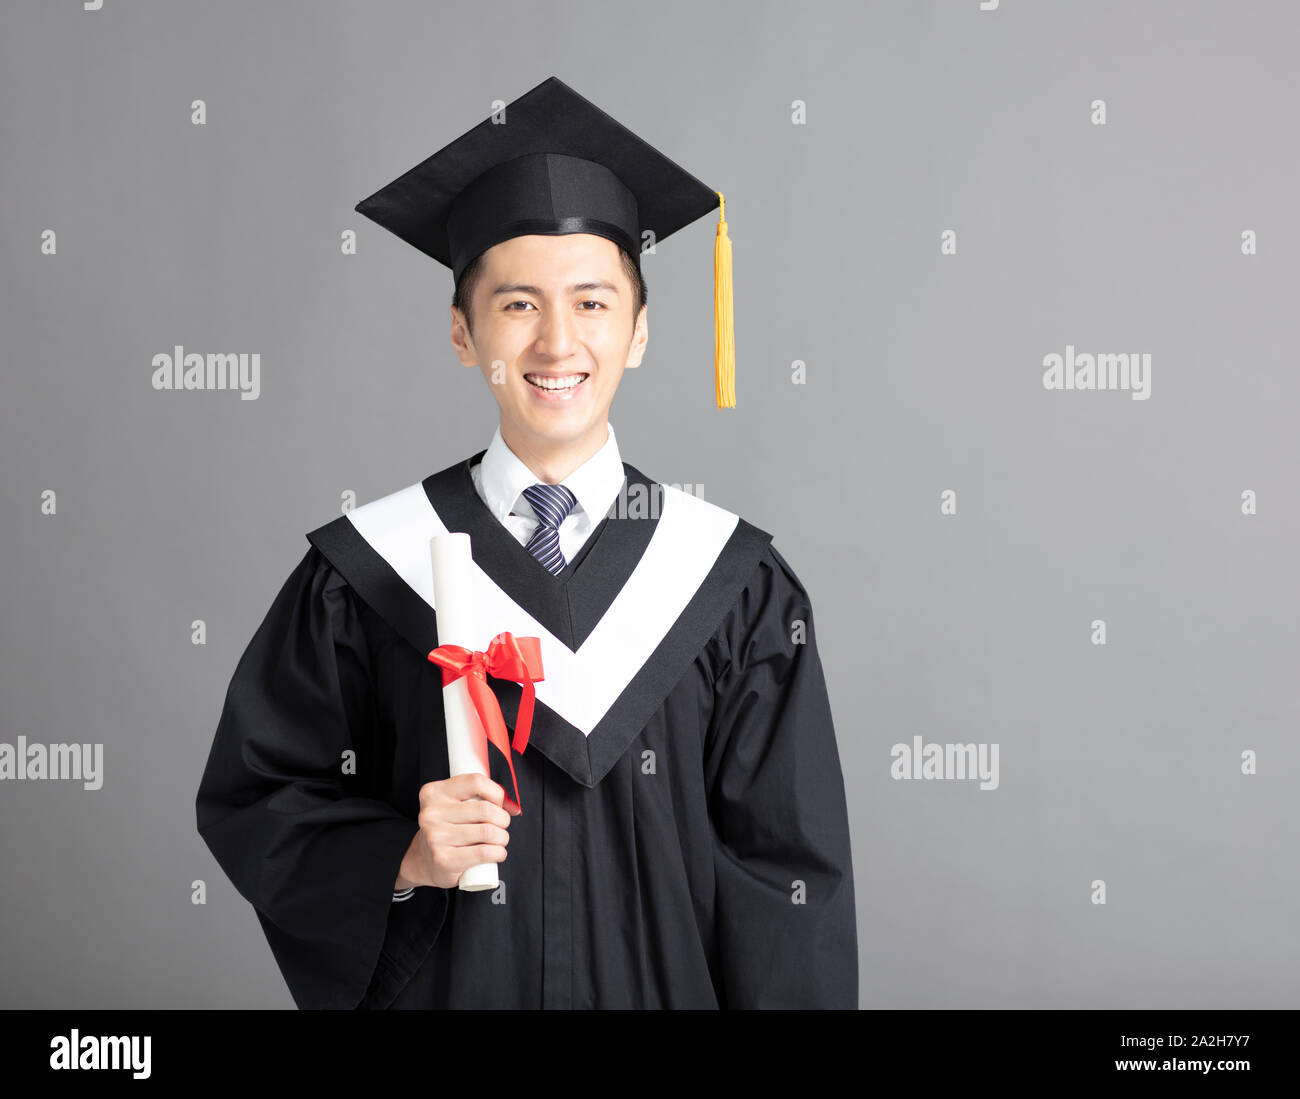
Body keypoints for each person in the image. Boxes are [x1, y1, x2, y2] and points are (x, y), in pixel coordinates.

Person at [195, 75, 857, 1009]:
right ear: (463, 334)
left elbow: (788, 879)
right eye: (516, 306)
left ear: (637, 334)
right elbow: (259, 794)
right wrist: (402, 856)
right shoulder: (367, 572)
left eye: (591, 303)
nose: (556, 343)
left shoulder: (735, 588)